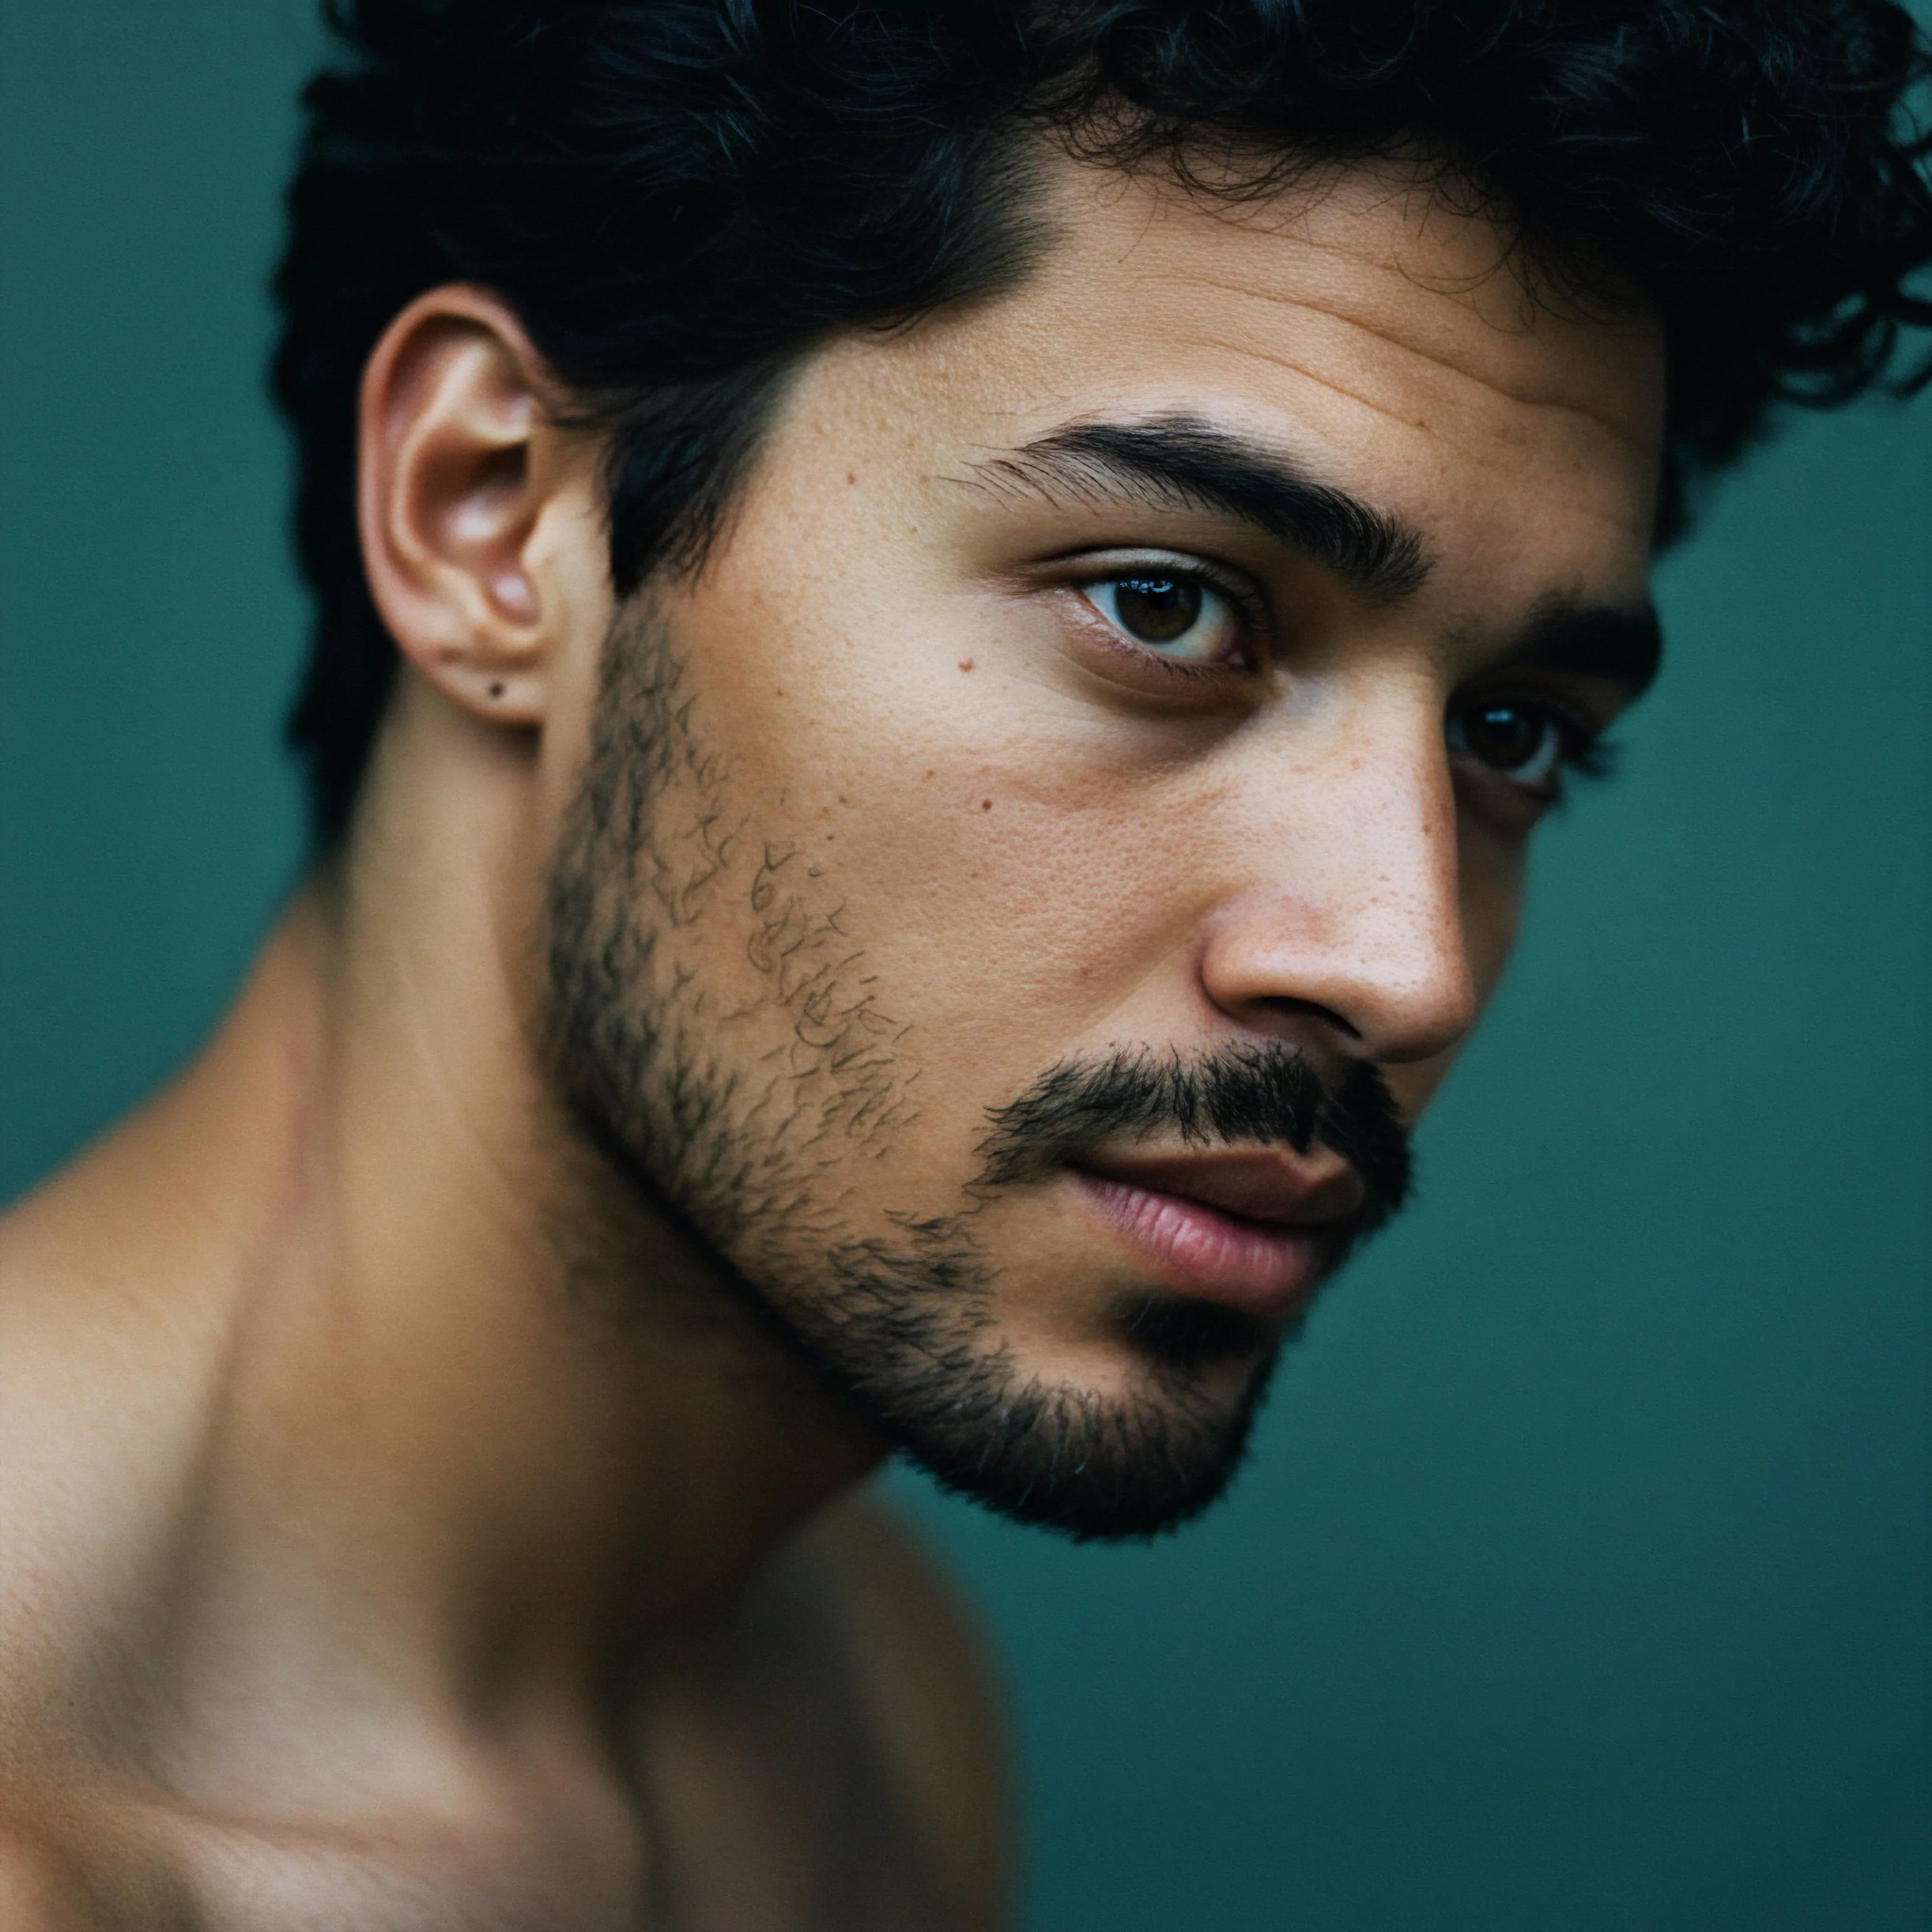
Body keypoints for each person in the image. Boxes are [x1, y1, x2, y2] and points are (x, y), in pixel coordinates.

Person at [3, 0, 1929, 1923]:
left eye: (1510, 734)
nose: (1405, 965)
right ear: (494, 512)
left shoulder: (856, 1704)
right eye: (1165, 607)